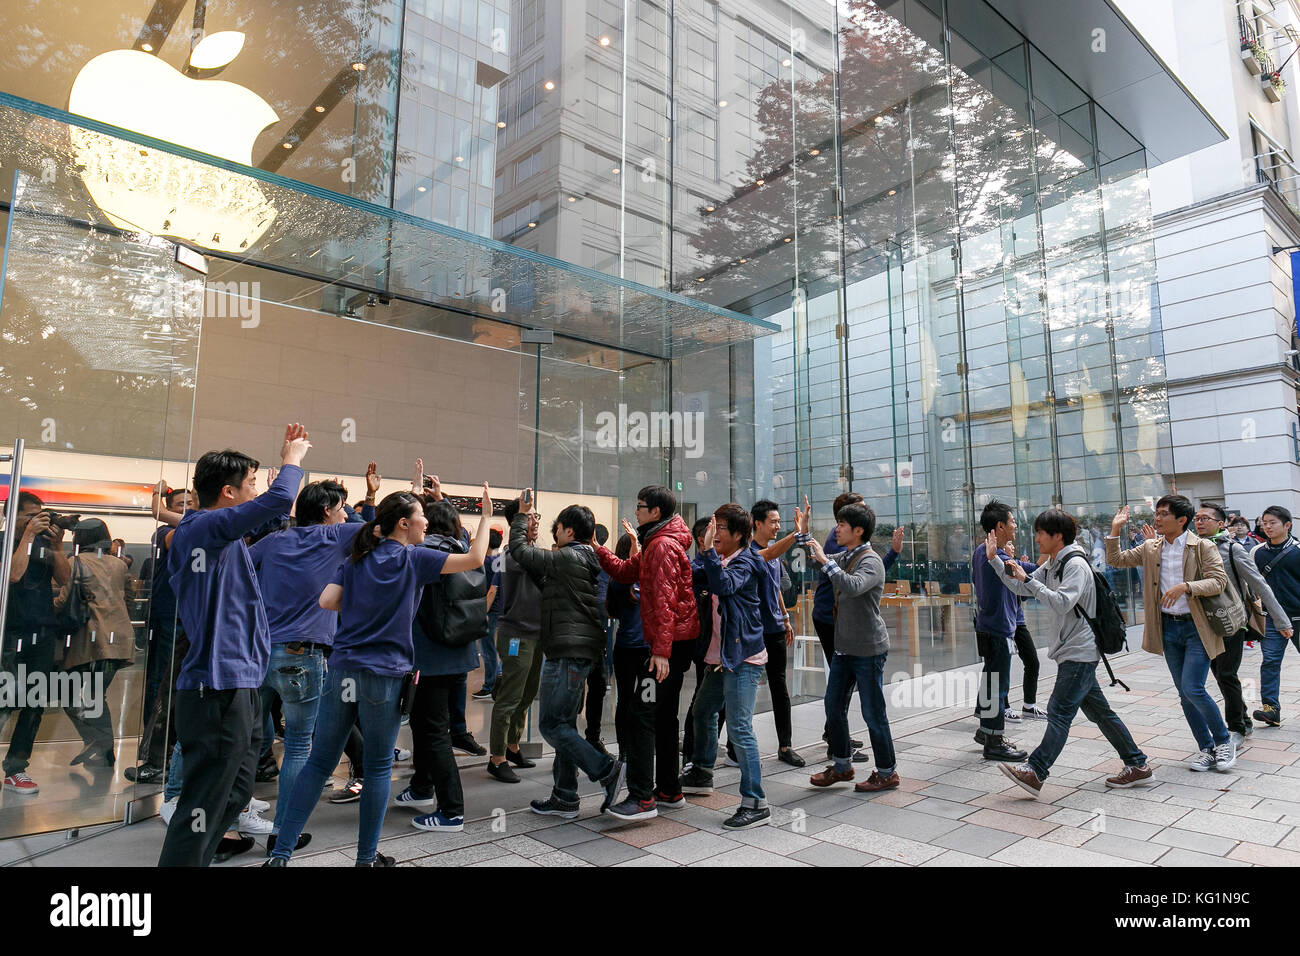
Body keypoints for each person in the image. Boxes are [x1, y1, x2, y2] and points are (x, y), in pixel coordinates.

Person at [267, 485, 493, 866]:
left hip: (343, 670)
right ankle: (366, 858)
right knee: (376, 769)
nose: (425, 522)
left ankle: (281, 855)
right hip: (384, 676)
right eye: (420, 516)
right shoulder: (413, 559)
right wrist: (485, 516)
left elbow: (327, 601)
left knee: (318, 762)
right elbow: (474, 558)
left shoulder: (355, 560)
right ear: (404, 524)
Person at [157, 424, 310, 866]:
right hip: (215, 685)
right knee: (204, 801)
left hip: (239, 682)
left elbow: (278, 509)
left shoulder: (221, 535)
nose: (257, 491)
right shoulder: (202, 528)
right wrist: (292, 457)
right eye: (250, 484)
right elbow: (280, 499)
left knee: (237, 789)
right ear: (227, 492)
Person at [247, 466, 379, 854]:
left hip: (258, 652)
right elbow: (372, 531)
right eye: (340, 507)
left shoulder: (273, 541)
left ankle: (231, 826)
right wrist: (369, 499)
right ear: (326, 511)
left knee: (245, 739)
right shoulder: (335, 535)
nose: (344, 514)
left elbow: (240, 567)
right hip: (302, 656)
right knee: (299, 746)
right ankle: (281, 834)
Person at [989, 509, 1154, 797]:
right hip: (1071, 649)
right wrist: (994, 561)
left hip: (1080, 650)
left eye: (1041, 533)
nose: (1036, 538)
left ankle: (1036, 770)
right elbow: (1022, 587)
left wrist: (1028, 580)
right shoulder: (1054, 562)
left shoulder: (1075, 564)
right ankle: (1137, 764)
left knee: (1060, 711)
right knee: (1102, 714)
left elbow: (1062, 602)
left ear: (1058, 536)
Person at [508, 489, 627, 820]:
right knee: (564, 724)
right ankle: (565, 795)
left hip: (567, 652)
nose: (555, 534)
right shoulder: (583, 560)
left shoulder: (567, 557)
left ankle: (607, 771)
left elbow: (518, 550)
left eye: (558, 528)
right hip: (579, 650)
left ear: (569, 531)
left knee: (551, 725)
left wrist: (520, 516)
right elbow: (546, 581)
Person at [1105, 496, 1235, 772]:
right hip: (1169, 628)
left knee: (1193, 688)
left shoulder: (1202, 546)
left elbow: (1219, 581)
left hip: (1197, 627)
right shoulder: (1152, 548)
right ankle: (1206, 749)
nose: (1158, 518)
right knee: (1184, 693)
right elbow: (1116, 559)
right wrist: (1115, 529)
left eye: (1164, 514)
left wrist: (1187, 586)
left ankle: (1224, 741)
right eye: (1158, 513)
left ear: (1181, 520)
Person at [595, 485, 699, 810]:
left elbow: (665, 603)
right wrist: (599, 550)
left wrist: (661, 652)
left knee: (642, 714)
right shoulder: (656, 543)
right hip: (669, 647)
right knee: (665, 715)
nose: (636, 510)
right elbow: (627, 571)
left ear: (655, 512)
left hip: (664, 651)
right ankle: (669, 789)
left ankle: (642, 797)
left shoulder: (662, 546)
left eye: (640, 506)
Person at [393, 499, 488, 833]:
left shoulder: (426, 552)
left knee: (431, 729)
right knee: (429, 725)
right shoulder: (460, 547)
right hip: (459, 654)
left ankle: (451, 811)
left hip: (429, 655)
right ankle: (421, 787)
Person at [681, 504, 772, 830]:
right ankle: (703, 771)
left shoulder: (746, 561)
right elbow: (695, 573)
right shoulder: (719, 560)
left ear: (738, 534)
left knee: (740, 729)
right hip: (721, 657)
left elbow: (724, 585)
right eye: (713, 527)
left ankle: (755, 801)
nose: (713, 532)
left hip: (742, 659)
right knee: (703, 711)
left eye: (720, 527)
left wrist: (705, 552)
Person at [805, 502, 901, 793]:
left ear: (858, 531)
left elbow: (852, 585)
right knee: (833, 706)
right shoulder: (847, 555)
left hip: (868, 649)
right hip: (844, 647)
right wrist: (803, 533)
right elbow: (815, 560)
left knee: (873, 713)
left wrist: (827, 561)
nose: (837, 529)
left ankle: (887, 772)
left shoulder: (869, 561)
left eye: (843, 525)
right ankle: (842, 766)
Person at [1188, 503, 1291, 745]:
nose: (1199, 522)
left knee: (1226, 673)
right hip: (1203, 623)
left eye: (1206, 518)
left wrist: (1281, 620)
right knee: (1220, 674)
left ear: (1221, 523)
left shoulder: (1232, 549)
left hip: (1232, 621)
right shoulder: (1191, 548)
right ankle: (1242, 718)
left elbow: (1259, 585)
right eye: (1197, 518)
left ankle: (1237, 727)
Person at [3, 492, 71, 795]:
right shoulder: (4, 542)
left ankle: (16, 768)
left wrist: (56, 546)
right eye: (29, 515)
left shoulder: (45, 543)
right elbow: (13, 575)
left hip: (42, 630)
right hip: (9, 633)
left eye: (39, 515)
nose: (36, 520)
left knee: (34, 703)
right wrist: (28, 535)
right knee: (4, 701)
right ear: (11, 516)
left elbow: (66, 578)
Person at [54, 519, 134, 768]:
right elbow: (128, 596)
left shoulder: (75, 563)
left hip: (91, 640)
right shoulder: (119, 565)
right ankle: (101, 745)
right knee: (94, 693)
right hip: (120, 638)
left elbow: (63, 601)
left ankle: (99, 742)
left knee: (66, 692)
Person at [970, 500, 1033, 762]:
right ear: (999, 526)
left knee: (990, 681)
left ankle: (986, 733)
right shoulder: (996, 556)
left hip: (986, 624)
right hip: (998, 628)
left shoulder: (979, 551)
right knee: (998, 685)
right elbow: (1028, 573)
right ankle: (994, 742)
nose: (1015, 526)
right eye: (1012, 521)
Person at [486, 498, 543, 783]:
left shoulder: (532, 553)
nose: (535, 522)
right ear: (517, 522)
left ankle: (512, 746)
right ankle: (496, 758)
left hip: (535, 634)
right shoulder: (511, 556)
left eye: (536, 517)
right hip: (516, 635)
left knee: (527, 694)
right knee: (509, 698)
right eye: (529, 517)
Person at [749, 499, 809, 768]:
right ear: (756, 523)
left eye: (778, 522)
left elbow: (774, 588)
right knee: (743, 689)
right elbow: (771, 553)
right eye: (772, 522)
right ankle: (729, 748)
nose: (777, 526)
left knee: (779, 688)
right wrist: (796, 534)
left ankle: (785, 745)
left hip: (773, 629)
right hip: (752, 631)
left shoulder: (774, 555)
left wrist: (785, 618)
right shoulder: (749, 553)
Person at [604, 534, 658, 820]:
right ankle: (637, 759)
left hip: (624, 647)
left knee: (624, 701)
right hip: (646, 652)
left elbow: (611, 610)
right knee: (645, 708)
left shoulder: (617, 582)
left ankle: (624, 752)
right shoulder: (645, 580)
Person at [1251, 505, 1300, 728]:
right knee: (1270, 662)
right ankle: (1271, 709)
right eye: (1265, 523)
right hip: (1271, 618)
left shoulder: (1298, 550)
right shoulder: (1257, 552)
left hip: (1299, 617)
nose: (1267, 527)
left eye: (1272, 522)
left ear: (1287, 525)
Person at [471, 528, 504, 701]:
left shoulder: (481, 561)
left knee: (488, 650)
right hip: (503, 609)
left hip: (488, 610)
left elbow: (490, 590)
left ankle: (490, 686)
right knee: (504, 650)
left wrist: (482, 611)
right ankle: (497, 681)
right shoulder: (503, 560)